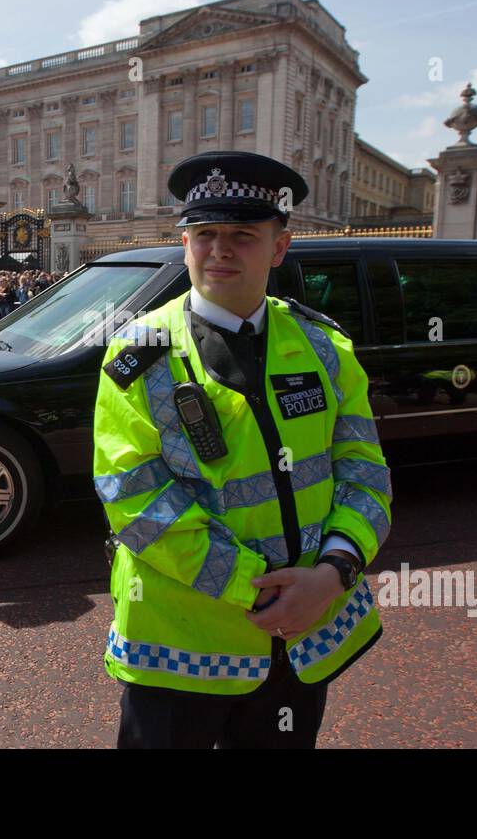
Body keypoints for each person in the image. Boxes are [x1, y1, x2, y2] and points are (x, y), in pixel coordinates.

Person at [93, 151, 390, 749]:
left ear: (279, 248)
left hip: (303, 633)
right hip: (181, 644)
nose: (219, 250)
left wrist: (333, 574)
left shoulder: (324, 345)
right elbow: (134, 499)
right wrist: (264, 590)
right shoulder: (138, 353)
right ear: (185, 244)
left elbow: (365, 474)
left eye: (242, 235)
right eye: (204, 234)